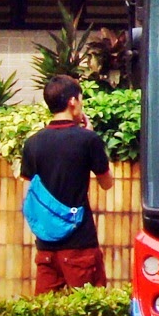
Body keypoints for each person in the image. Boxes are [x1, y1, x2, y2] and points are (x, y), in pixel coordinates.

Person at [19, 74, 114, 293]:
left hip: (46, 246)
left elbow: (28, 190)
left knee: (45, 314)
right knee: (90, 311)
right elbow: (106, 183)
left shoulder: (32, 143)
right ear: (72, 101)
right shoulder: (87, 140)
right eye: (81, 99)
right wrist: (91, 137)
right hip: (80, 244)